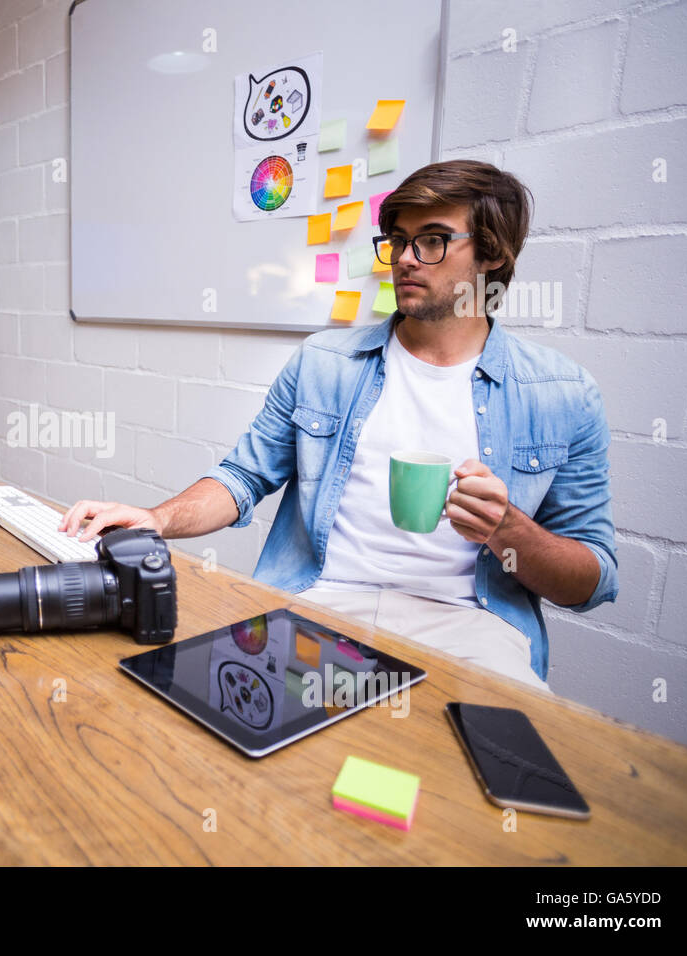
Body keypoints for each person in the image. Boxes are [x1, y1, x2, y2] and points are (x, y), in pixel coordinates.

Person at [58, 160, 617, 691]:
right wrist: (156, 519)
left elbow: (591, 580)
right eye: (398, 240)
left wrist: (509, 530)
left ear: (492, 254)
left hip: (473, 627)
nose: (405, 258)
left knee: (500, 777)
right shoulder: (324, 362)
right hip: (319, 602)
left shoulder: (563, 395)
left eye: (432, 240)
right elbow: (241, 477)